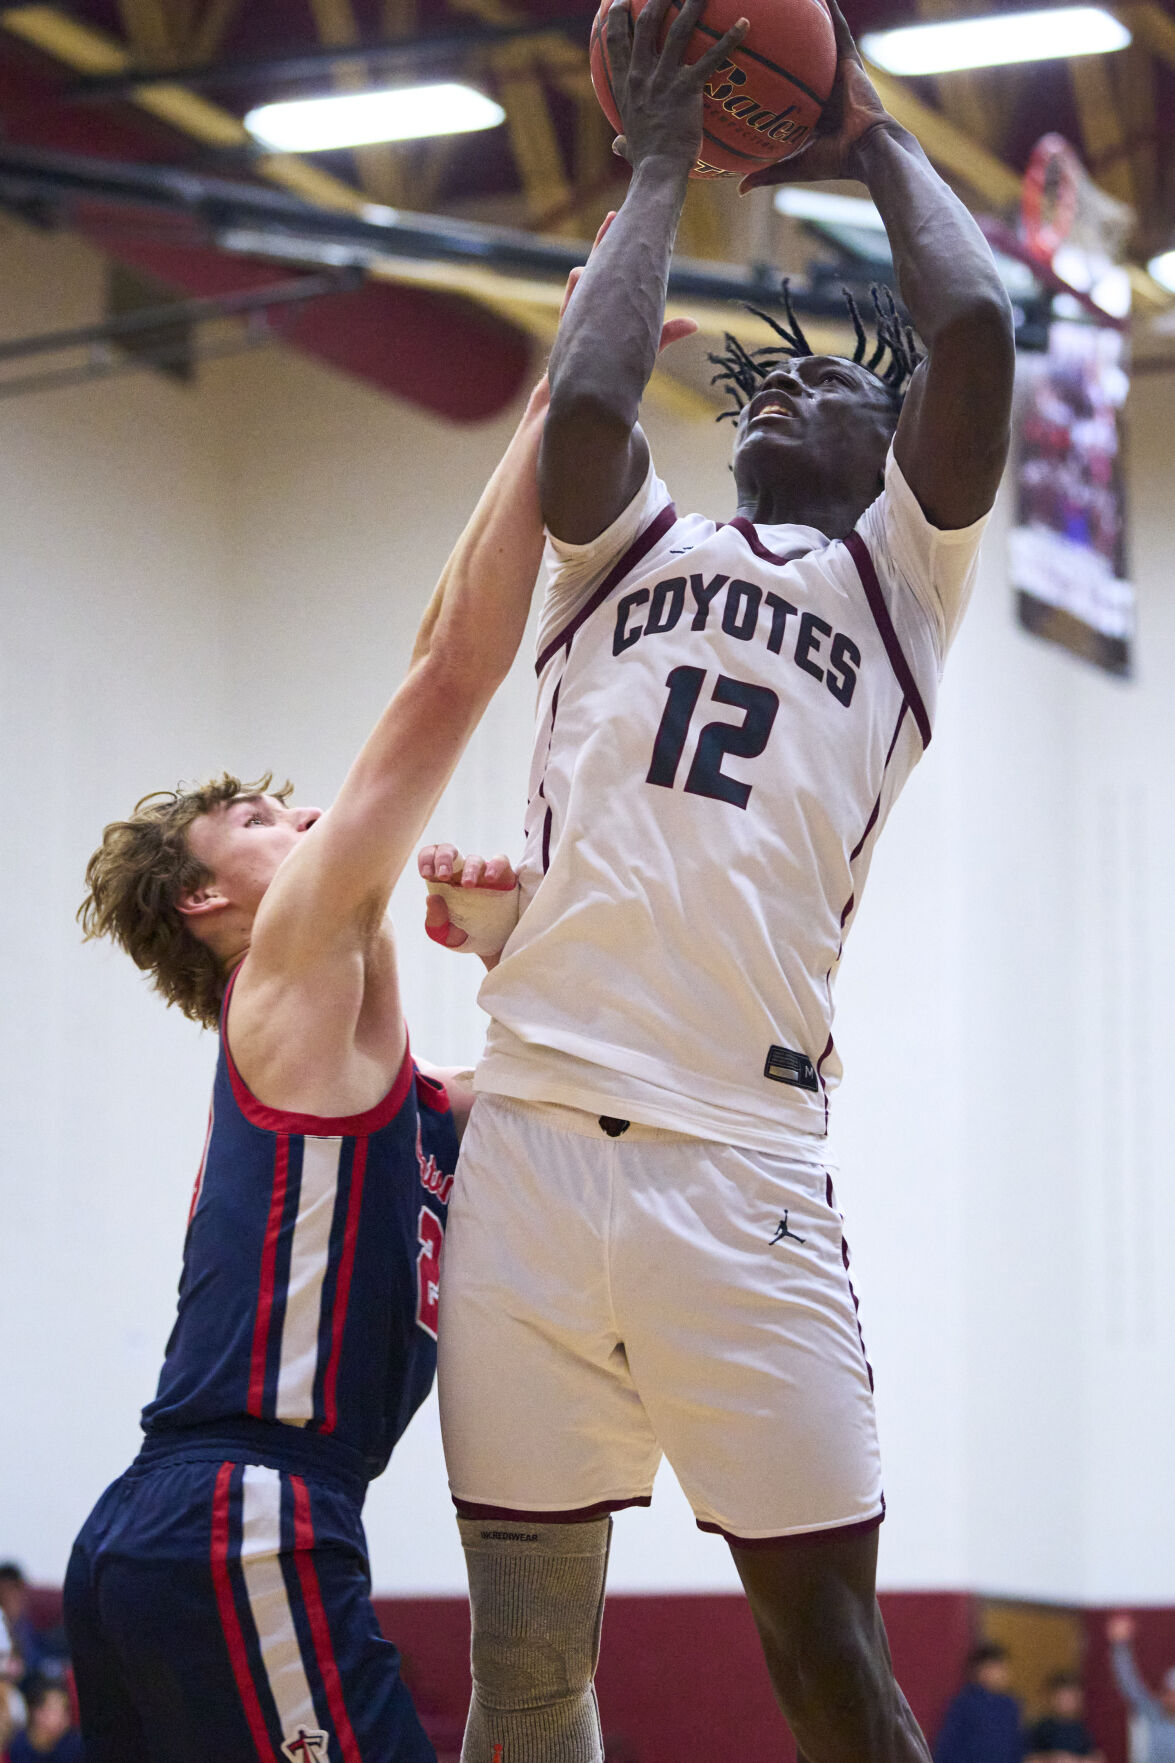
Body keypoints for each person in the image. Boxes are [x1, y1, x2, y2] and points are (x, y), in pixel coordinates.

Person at [419, 0, 1016, 1756]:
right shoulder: (621, 549)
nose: (789, 383)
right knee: (525, 1677)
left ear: (885, 460)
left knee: (833, 1665)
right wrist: (664, 157)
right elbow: (590, 390)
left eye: (832, 379)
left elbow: (973, 319)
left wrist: (866, 129)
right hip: (528, 1139)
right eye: (770, 374)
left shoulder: (902, 589)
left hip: (739, 1169)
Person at [60, 324, 556, 1762]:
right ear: (210, 900)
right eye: (266, 822)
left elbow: (551, 1084)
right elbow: (446, 670)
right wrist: (553, 403)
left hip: (199, 1525)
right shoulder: (276, 967)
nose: (308, 820)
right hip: (244, 1518)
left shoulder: (389, 1091)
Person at [933, 1645, 1022, 1763]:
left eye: (1003, 1668)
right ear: (979, 1670)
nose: (1000, 1674)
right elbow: (946, 1746)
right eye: (993, 1668)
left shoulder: (1011, 1705)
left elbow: (1018, 1745)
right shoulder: (964, 1704)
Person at [1106, 1614, 1175, 1763]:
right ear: (1165, 1694)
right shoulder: (1150, 1710)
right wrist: (1119, 1645)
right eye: (1172, 1693)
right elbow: (1128, 1682)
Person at [1024, 1671, 1100, 1763]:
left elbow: (1096, 1757)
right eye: (1061, 1698)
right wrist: (1051, 1759)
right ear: (1051, 1698)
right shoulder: (1042, 1728)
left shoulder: (1083, 1728)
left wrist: (1075, 1760)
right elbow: (1028, 1758)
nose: (1065, 1702)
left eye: (1070, 1697)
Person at [4, 1681, 83, 1763]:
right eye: (56, 1710)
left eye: (66, 1710)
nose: (63, 1717)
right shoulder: (15, 1746)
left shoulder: (76, 1743)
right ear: (38, 1713)